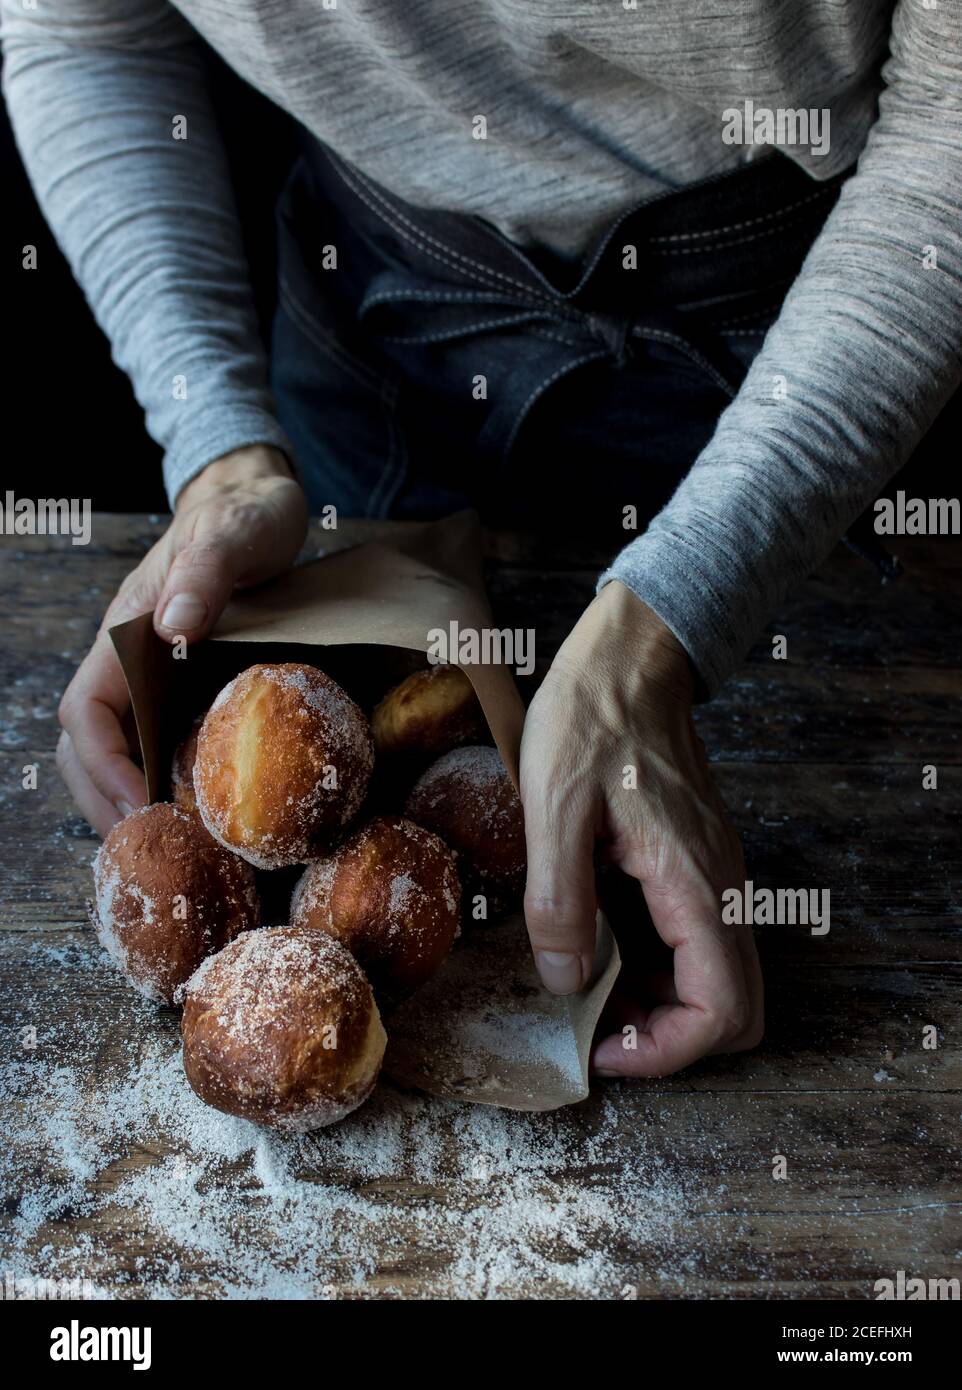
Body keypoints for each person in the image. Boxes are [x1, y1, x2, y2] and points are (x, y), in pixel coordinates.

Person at [4, 1, 959, 1079]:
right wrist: (217, 449)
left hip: (805, 365)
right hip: (371, 320)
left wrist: (672, 623)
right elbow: (85, 30)